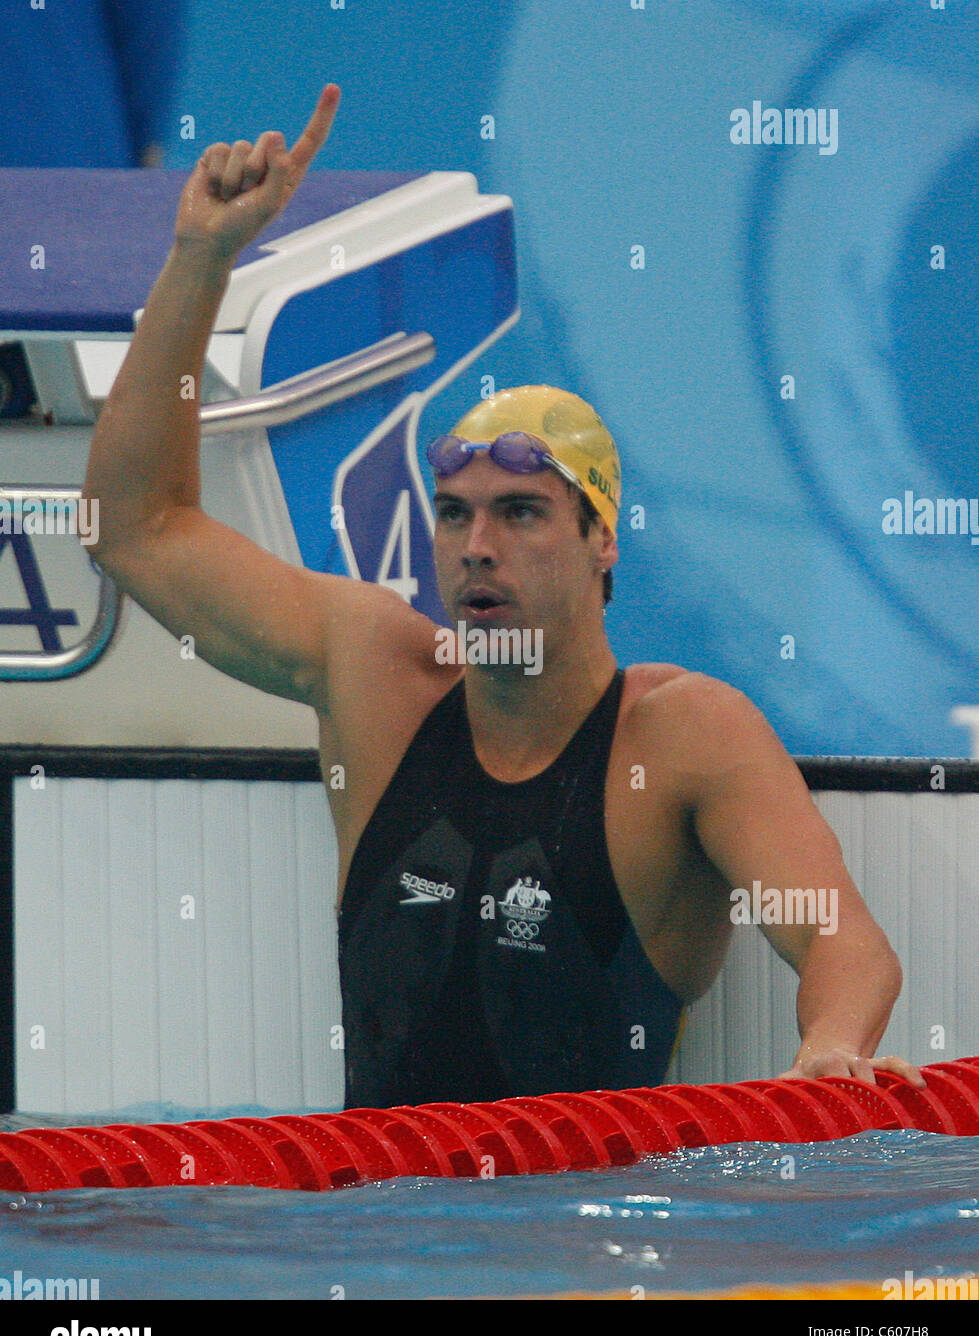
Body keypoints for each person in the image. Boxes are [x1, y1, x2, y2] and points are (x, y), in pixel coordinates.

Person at [83, 83, 926, 1106]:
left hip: (579, 1245)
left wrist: (828, 1050)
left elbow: (845, 942)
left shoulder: (683, 737)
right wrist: (201, 259)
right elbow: (133, 529)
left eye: (521, 513)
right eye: (452, 513)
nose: (476, 547)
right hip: (373, 1241)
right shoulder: (375, 674)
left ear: (600, 540)